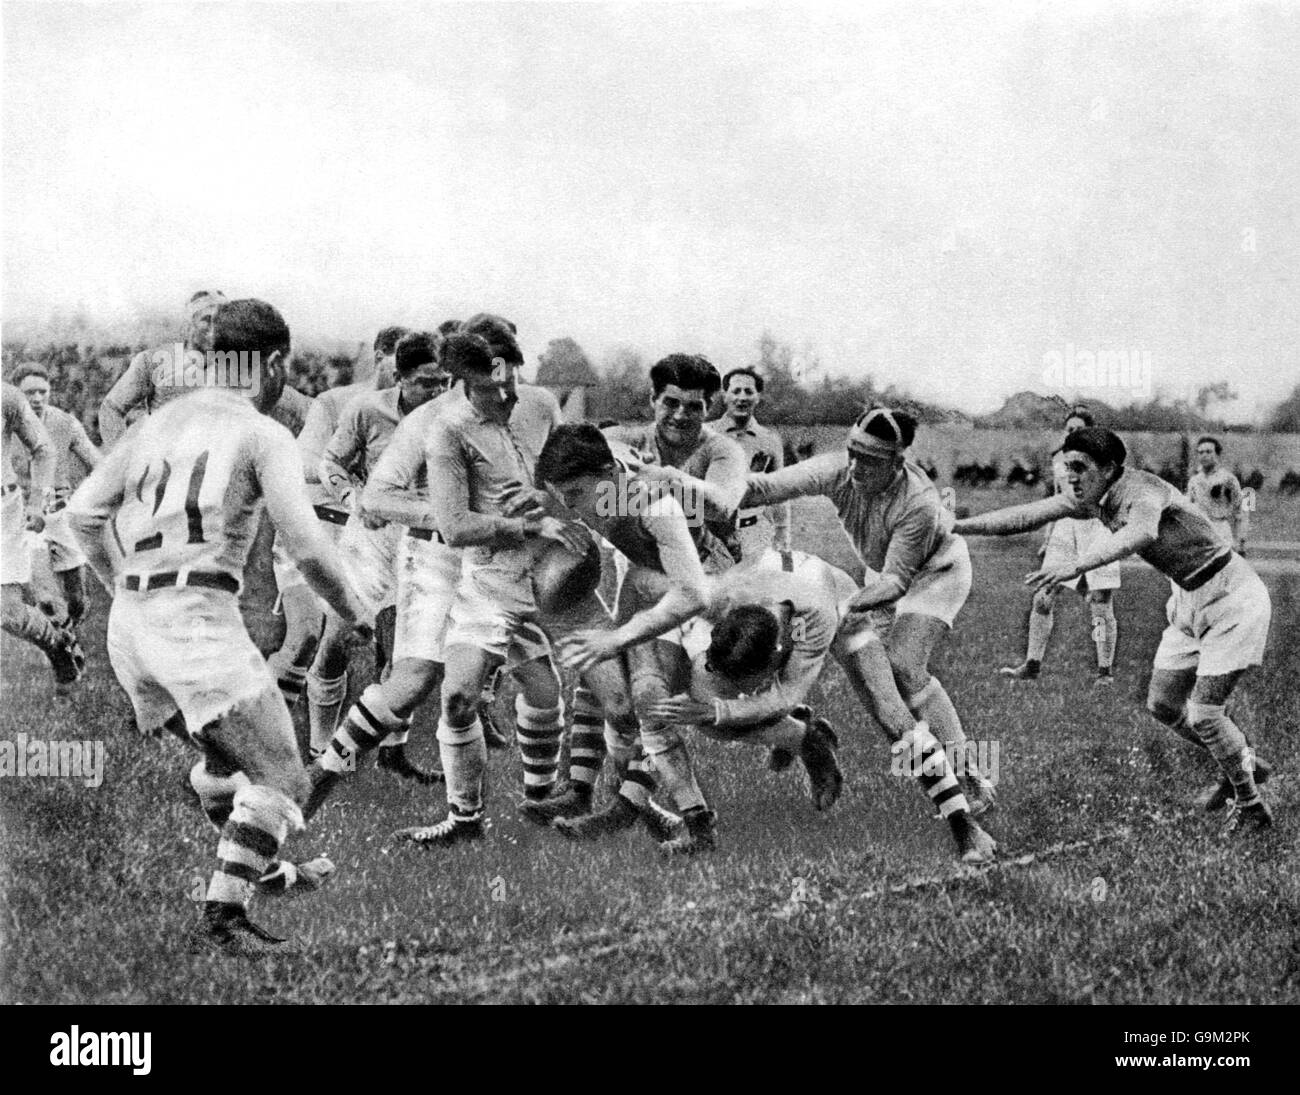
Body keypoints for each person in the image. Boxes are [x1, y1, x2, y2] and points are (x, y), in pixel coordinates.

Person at [66, 299, 373, 956]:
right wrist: (357, 613)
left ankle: (265, 868)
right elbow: (310, 546)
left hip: (132, 628)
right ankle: (226, 915)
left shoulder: (156, 423)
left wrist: (123, 583)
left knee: (224, 760)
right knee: (285, 780)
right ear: (270, 363)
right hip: (195, 622)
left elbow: (83, 515)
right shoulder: (264, 434)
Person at [955, 427, 1275, 833]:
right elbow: (1023, 516)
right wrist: (957, 528)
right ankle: (1242, 765)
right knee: (1163, 705)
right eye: (1066, 466)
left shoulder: (1143, 490)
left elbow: (1141, 533)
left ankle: (1251, 807)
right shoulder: (1094, 497)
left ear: (1107, 469)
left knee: (1206, 714)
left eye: (1079, 467)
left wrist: (1076, 565)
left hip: (1232, 597)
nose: (1070, 476)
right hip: (1187, 600)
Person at [741, 407, 998, 817]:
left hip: (935, 574)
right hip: (881, 573)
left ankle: (970, 775)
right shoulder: (839, 468)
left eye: (870, 460)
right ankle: (796, 732)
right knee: (876, 687)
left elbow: (896, 584)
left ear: (897, 462)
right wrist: (700, 491)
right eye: (852, 453)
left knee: (903, 666)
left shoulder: (919, 503)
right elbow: (766, 487)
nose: (856, 466)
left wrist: (841, 607)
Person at [309, 330, 453, 782]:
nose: (436, 391)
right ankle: (319, 743)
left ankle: (394, 753)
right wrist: (353, 498)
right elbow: (329, 463)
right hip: (370, 535)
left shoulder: (452, 417)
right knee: (341, 637)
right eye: (427, 382)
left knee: (403, 646)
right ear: (402, 378)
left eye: (444, 382)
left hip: (420, 537)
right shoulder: (368, 410)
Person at [999, 407, 1120, 685]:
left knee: (1101, 602)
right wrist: (1048, 536)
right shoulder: (1058, 460)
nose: (1072, 433)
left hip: (1097, 528)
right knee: (1043, 595)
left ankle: (1104, 670)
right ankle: (1032, 664)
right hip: (1065, 528)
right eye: (1069, 429)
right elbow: (1057, 499)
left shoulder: (1105, 460)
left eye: (1079, 429)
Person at [1, 381, 84, 691]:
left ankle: (56, 644)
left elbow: (44, 449)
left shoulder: (7, 396)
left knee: (7, 613)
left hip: (3, 508)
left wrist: (37, 503)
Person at [12, 363, 101, 632]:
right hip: (24, 517)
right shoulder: (5, 427)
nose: (37, 398)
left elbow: (97, 465)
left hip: (60, 511)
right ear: (16, 394)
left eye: (43, 391)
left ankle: (68, 632)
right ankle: (62, 643)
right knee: (47, 598)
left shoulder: (65, 423)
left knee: (78, 601)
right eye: (29, 393)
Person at [97, 290, 227, 446]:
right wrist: (124, 457)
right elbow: (111, 408)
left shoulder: (238, 366)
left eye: (222, 321)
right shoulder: (152, 360)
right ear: (189, 324)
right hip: (165, 461)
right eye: (207, 319)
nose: (215, 328)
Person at [716, 367, 791, 560]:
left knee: (755, 586)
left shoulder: (769, 440)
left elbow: (779, 493)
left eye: (749, 392)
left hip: (755, 532)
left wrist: (782, 532)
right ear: (725, 396)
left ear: (758, 397)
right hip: (714, 535)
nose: (742, 397)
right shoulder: (707, 435)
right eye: (736, 391)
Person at [1187, 436, 1246, 553]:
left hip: (1221, 530)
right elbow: (1189, 508)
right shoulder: (1194, 481)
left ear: (1217, 455)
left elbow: (1240, 511)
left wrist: (1240, 540)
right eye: (1200, 452)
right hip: (1201, 533)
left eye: (1209, 452)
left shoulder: (1228, 479)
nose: (1204, 455)